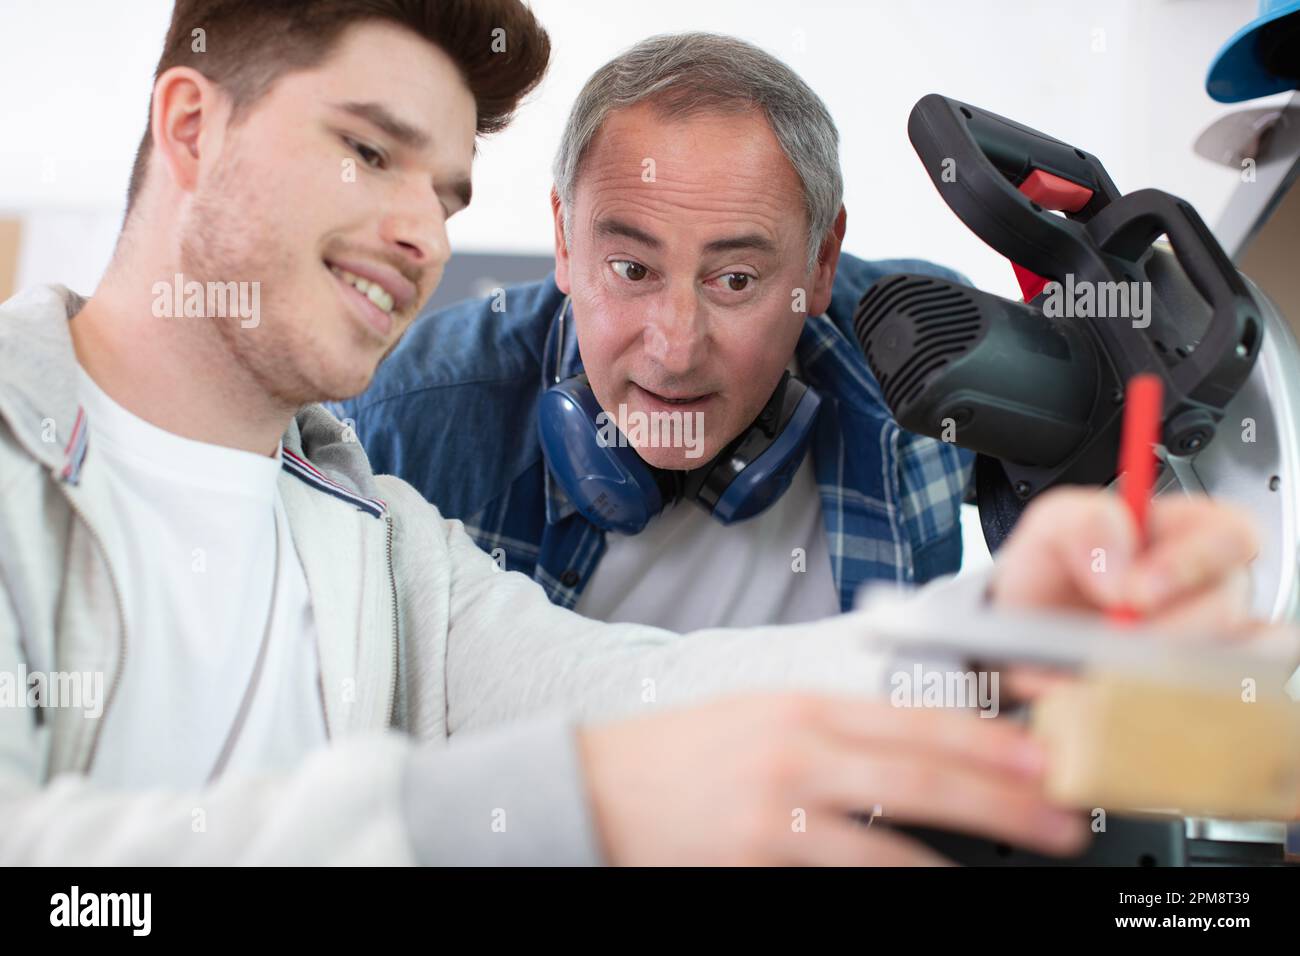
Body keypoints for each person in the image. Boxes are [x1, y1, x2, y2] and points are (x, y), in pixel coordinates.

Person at [0, 0, 1261, 865]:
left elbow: (628, 685)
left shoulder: (369, 533)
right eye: (369, 153)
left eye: (441, 190)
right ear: (191, 125)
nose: (421, 233)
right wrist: (579, 801)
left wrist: (991, 640)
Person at [334, 33, 974, 629]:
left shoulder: (928, 346)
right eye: (632, 269)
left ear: (822, 261)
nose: (675, 350)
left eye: (736, 280)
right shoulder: (394, 426)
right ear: (563, 237)